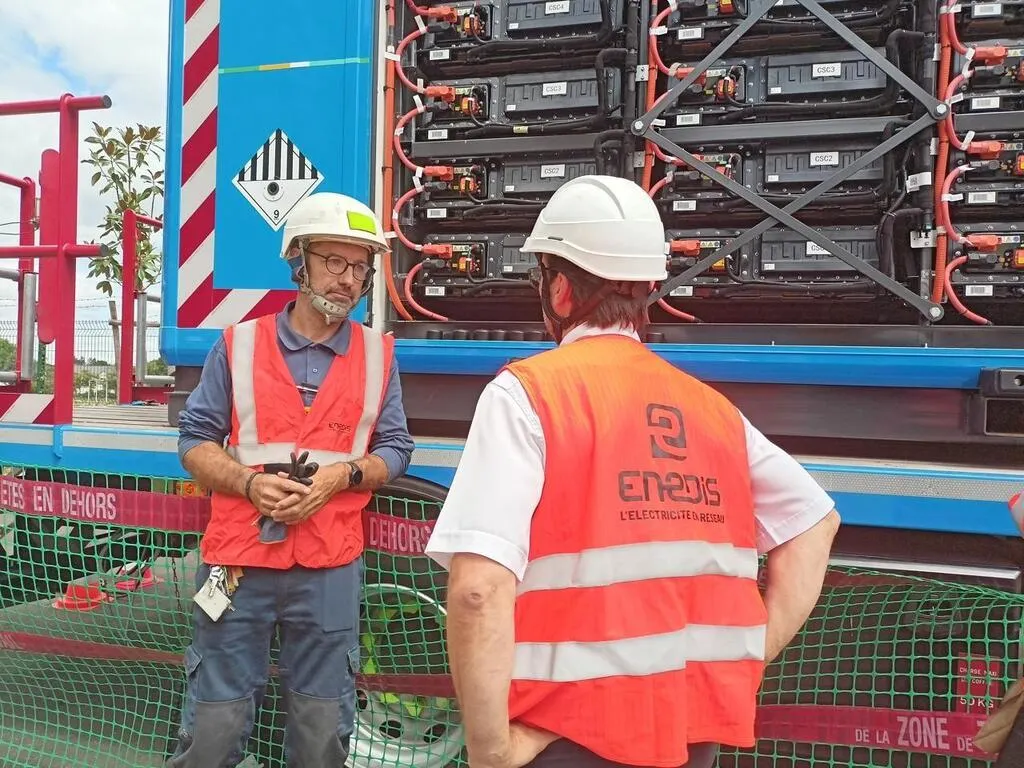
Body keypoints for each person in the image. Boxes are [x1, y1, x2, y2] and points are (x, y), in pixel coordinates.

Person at [424, 175, 841, 768]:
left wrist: (491, 751)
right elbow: (814, 525)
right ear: (648, 287)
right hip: (686, 733)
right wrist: (738, 658)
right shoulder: (711, 408)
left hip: (565, 740)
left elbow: (477, 590)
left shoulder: (528, 395)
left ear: (560, 290)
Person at [167, 191, 416, 767]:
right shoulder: (238, 344)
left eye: (360, 267)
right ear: (298, 261)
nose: (348, 279)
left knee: (321, 727)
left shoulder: (379, 355)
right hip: (235, 561)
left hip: (328, 565)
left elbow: (397, 448)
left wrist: (345, 476)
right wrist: (250, 485)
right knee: (214, 723)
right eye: (335, 262)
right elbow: (193, 442)